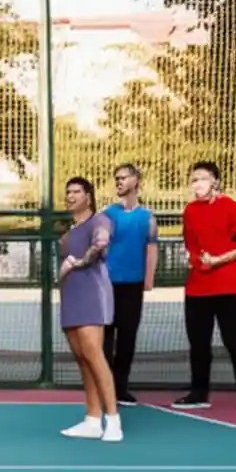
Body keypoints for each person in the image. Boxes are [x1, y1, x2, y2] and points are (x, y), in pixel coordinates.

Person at [173, 161, 236, 410]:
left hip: (226, 285)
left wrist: (218, 260)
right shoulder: (189, 211)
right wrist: (195, 261)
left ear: (215, 182)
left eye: (202, 179)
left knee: (234, 339)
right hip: (198, 285)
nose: (197, 184)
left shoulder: (232, 207)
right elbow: (191, 244)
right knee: (198, 342)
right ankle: (198, 394)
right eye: (193, 180)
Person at [58, 177, 122, 441]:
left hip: (92, 295)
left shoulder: (100, 220)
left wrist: (79, 262)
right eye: (68, 191)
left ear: (88, 196)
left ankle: (114, 421)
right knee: (82, 359)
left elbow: (101, 243)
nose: (71, 196)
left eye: (76, 192)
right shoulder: (68, 233)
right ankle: (92, 419)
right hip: (71, 296)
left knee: (95, 355)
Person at [101, 164, 157, 406]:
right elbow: (99, 245)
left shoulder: (147, 217)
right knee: (105, 337)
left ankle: (121, 388)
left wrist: (148, 279)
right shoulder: (108, 214)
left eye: (124, 177)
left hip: (132, 285)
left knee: (127, 338)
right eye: (116, 178)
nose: (119, 182)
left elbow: (151, 248)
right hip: (107, 283)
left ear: (136, 180)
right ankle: (104, 386)